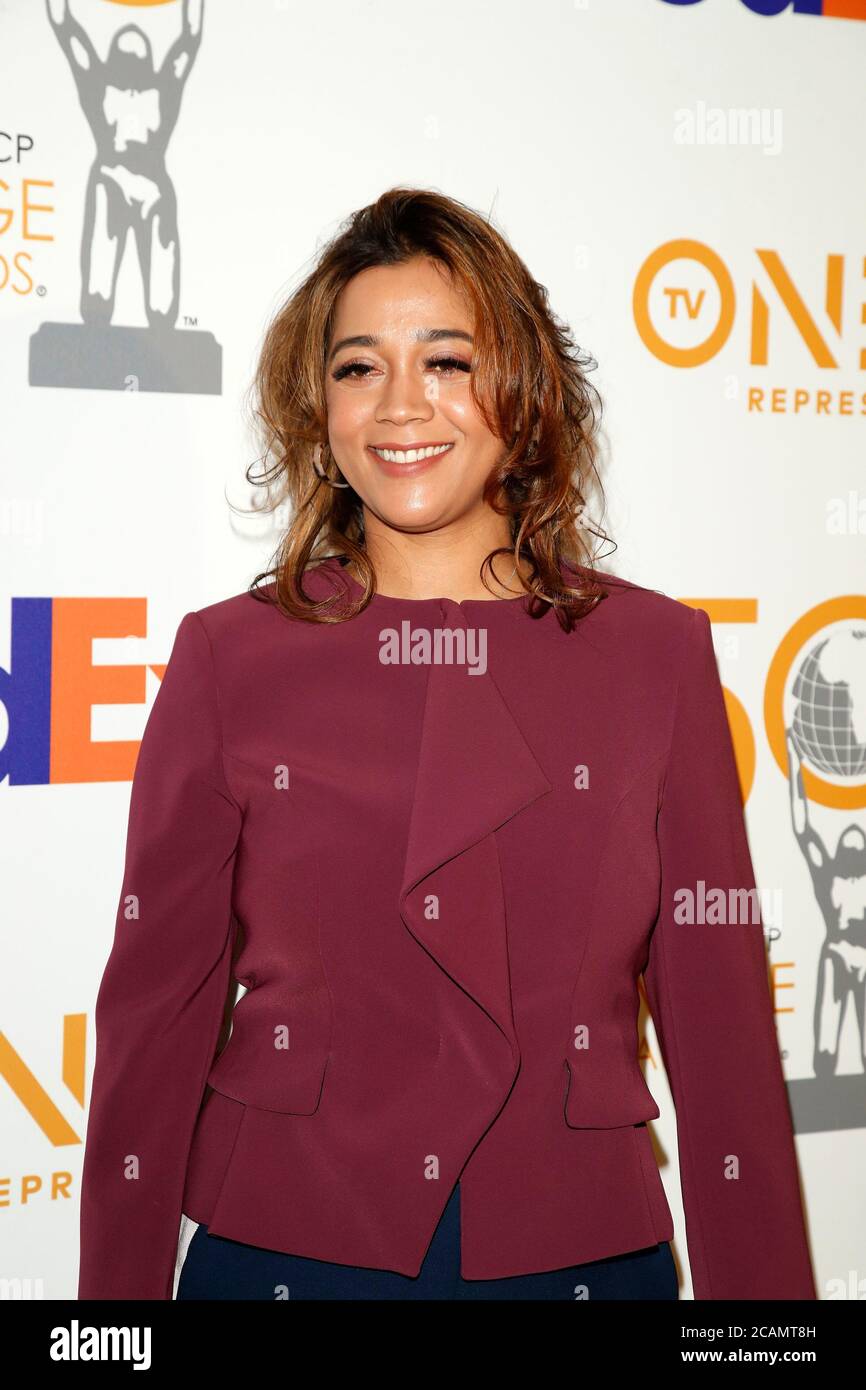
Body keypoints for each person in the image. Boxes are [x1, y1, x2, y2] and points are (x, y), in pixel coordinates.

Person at [78, 187, 816, 1302]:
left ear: (519, 391)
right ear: (316, 412)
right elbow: (156, 1017)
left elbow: (719, 1035)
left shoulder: (652, 655)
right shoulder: (233, 658)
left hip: (575, 1256)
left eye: (447, 360)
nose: (399, 404)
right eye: (357, 366)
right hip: (287, 1249)